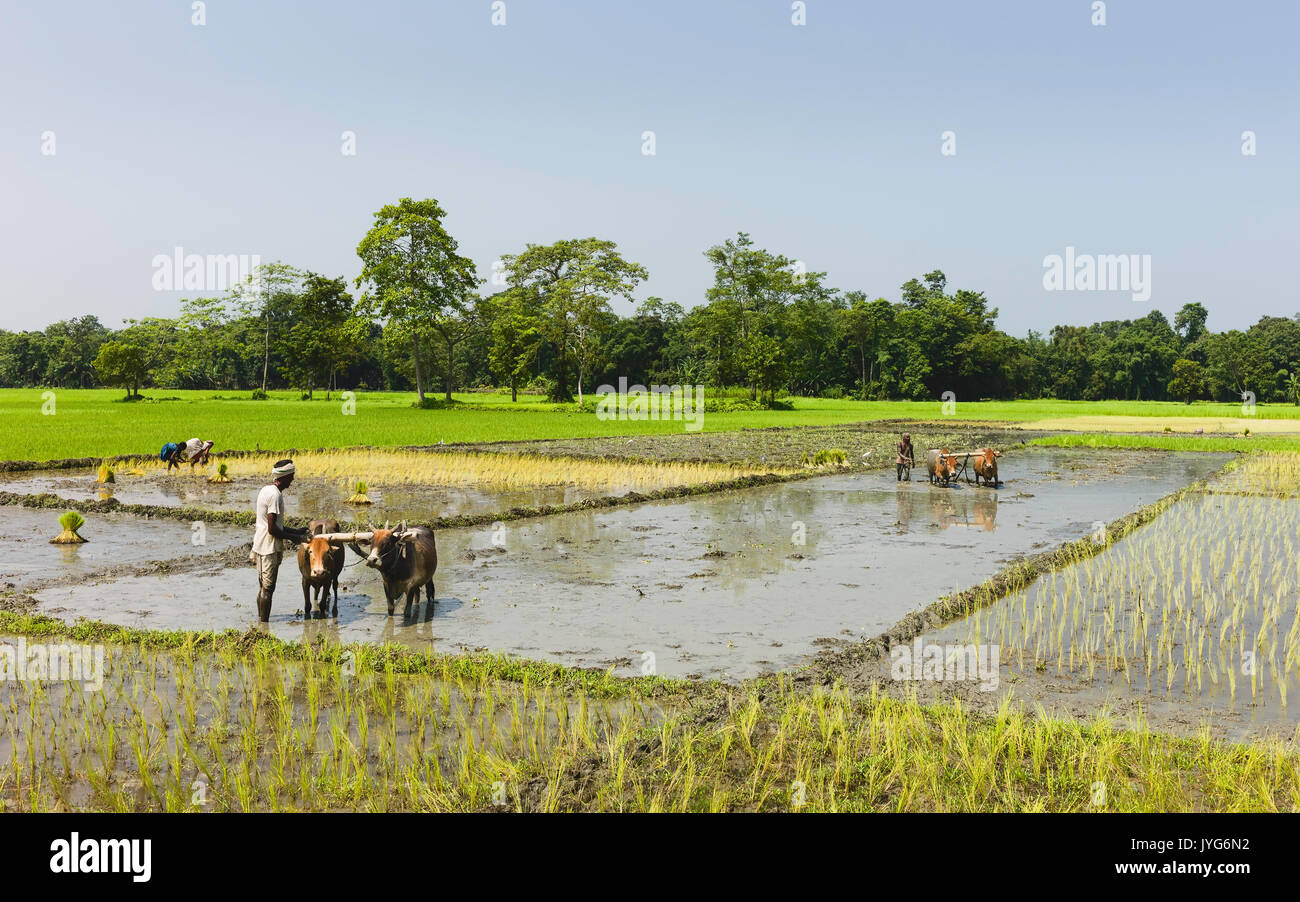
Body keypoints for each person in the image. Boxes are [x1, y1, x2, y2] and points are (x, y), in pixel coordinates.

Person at [252, 459, 311, 622]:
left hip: (260, 544)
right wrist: (296, 538)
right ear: (284, 477)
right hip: (269, 547)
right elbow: (273, 529)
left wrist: (296, 530)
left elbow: (276, 525)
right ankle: (264, 626)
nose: (292, 480)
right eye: (291, 476)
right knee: (268, 589)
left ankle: (260, 621)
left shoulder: (266, 490)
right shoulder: (275, 495)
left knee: (263, 587)